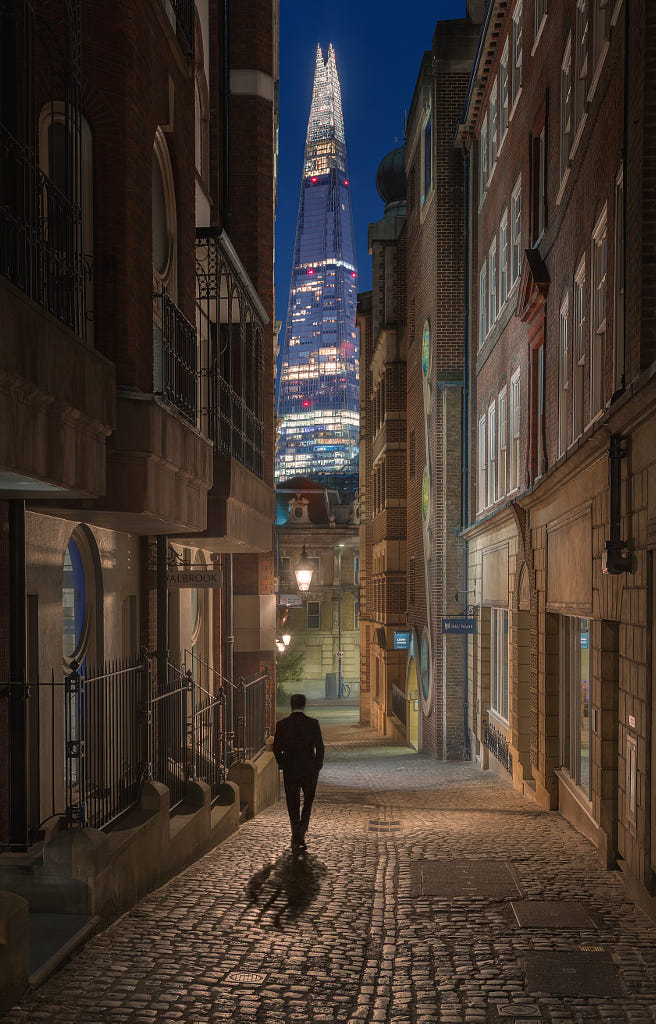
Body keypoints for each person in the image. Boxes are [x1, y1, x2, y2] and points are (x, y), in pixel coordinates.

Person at [273, 693, 324, 850]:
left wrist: (282, 764)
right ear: (304, 705)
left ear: (291, 705)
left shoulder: (282, 725)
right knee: (308, 802)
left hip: (291, 770)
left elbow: (276, 748)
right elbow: (320, 747)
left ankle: (296, 831)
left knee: (292, 803)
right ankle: (301, 830)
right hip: (309, 770)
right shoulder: (313, 723)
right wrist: (317, 765)